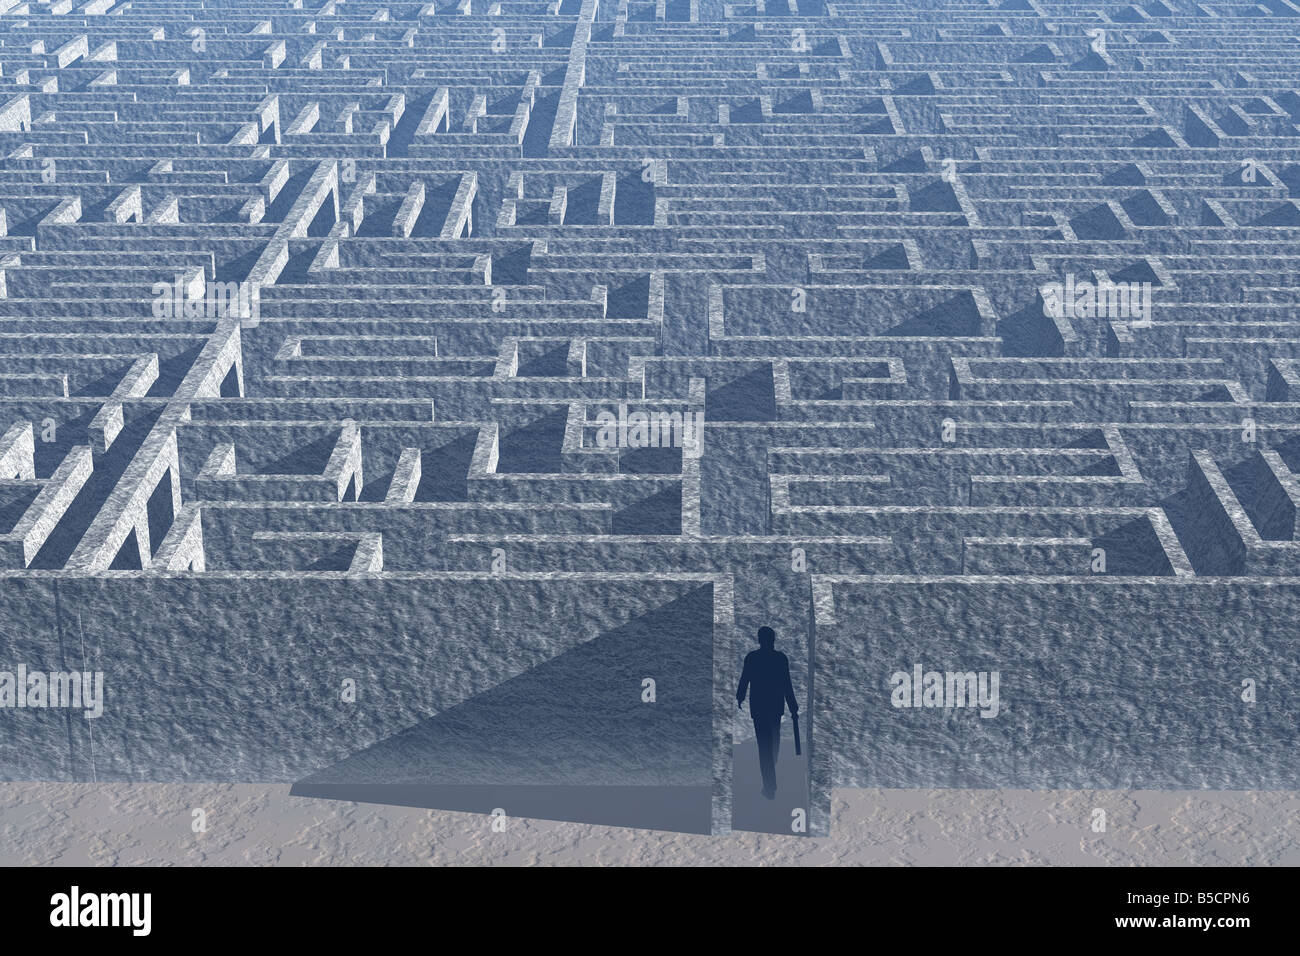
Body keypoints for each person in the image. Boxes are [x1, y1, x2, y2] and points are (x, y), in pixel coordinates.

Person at [736, 626, 798, 799]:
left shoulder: (752, 658)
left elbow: (744, 679)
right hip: (775, 707)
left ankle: (769, 779)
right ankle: (770, 781)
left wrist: (740, 697)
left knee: (765, 747)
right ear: (773, 639)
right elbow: (787, 684)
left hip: (759, 707)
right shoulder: (780, 659)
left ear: (759, 639)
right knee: (772, 743)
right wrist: (793, 705)